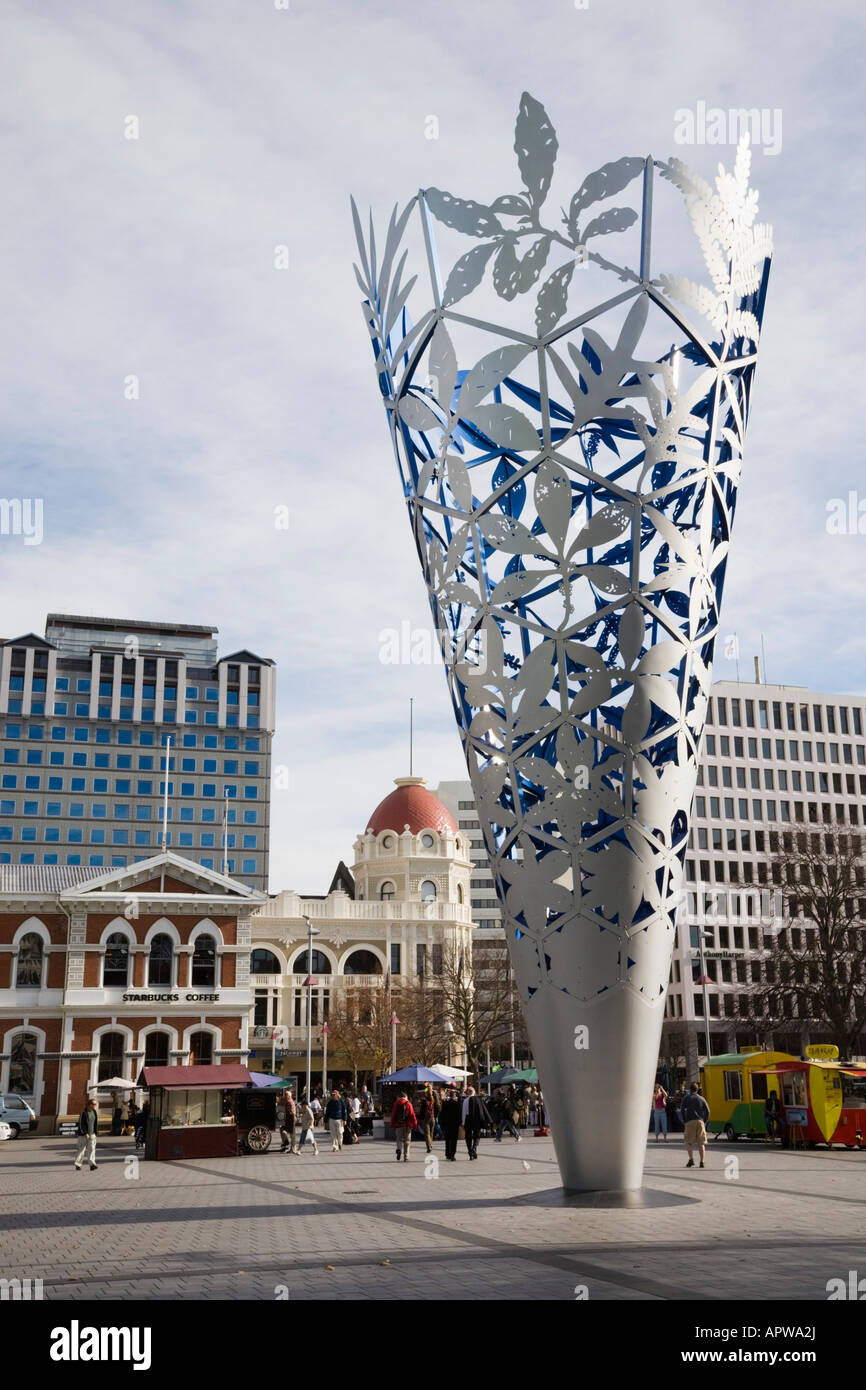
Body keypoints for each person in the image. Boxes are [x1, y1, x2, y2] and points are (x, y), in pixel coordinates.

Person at [681, 1082, 711, 1169]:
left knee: (688, 1142)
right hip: (700, 1121)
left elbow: (682, 1110)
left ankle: (691, 1159)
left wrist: (684, 1120)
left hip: (690, 1121)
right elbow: (708, 1111)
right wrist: (704, 1121)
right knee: (701, 1143)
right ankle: (702, 1162)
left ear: (690, 1089)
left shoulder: (686, 1098)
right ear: (697, 1089)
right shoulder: (701, 1098)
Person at [461, 1087, 493, 1160]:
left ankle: (470, 1152)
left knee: (468, 1136)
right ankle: (474, 1147)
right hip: (477, 1120)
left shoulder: (465, 1100)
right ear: (474, 1092)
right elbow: (483, 1110)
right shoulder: (479, 1100)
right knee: (477, 1135)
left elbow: (463, 1112)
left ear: (468, 1092)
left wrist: (463, 1122)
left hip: (468, 1119)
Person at [390, 1089, 417, 1161]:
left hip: (398, 1125)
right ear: (405, 1096)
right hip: (407, 1125)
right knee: (407, 1141)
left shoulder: (396, 1104)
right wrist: (415, 1125)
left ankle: (399, 1149)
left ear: (399, 1097)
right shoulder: (409, 1104)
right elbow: (412, 1115)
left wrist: (392, 1124)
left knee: (398, 1139)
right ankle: (406, 1156)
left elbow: (393, 1115)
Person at [75, 1097, 99, 1171]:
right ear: (90, 1104)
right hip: (83, 1135)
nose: (95, 1105)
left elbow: (95, 1123)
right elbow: (81, 1124)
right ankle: (78, 1164)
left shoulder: (94, 1112)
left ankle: (92, 1164)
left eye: (96, 1104)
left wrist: (95, 1132)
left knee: (92, 1149)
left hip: (92, 1134)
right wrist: (84, 1133)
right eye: (94, 1104)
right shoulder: (84, 1112)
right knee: (81, 1150)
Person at [439, 1086, 462, 1161]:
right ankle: (452, 1154)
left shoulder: (445, 1104)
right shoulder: (457, 1104)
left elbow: (441, 1114)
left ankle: (447, 1154)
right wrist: (460, 1123)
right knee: (454, 1140)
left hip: (446, 1124)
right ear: (454, 1096)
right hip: (455, 1124)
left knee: (447, 1139)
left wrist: (441, 1123)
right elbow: (459, 1114)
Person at [416, 1085, 436, 1154]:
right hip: (432, 1117)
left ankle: (429, 1147)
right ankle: (431, 1145)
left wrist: (420, 1117)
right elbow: (438, 1107)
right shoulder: (434, 1099)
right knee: (431, 1133)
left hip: (426, 1118)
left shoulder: (424, 1101)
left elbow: (422, 1111)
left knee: (427, 1133)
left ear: (426, 1093)